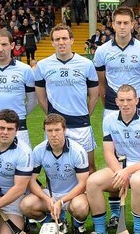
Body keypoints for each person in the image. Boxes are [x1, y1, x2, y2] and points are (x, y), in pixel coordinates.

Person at [84, 84, 140, 234]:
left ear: (136, 100)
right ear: (116, 101)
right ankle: (100, 231)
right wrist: (120, 172)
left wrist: (127, 172)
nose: (125, 104)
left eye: (129, 100)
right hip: (119, 166)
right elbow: (108, 153)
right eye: (122, 100)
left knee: (137, 181)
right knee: (92, 182)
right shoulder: (109, 120)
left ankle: (139, 233)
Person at [34, 25, 100, 172]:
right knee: (56, 169)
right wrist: (51, 115)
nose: (61, 42)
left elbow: (94, 96)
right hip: (55, 126)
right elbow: (41, 97)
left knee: (89, 168)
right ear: (52, 42)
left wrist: (85, 114)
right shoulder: (43, 65)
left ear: (72, 40)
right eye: (57, 39)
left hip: (81, 124)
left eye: (64, 38)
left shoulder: (86, 64)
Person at [21, 114, 91, 234]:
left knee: (80, 207)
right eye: (49, 130)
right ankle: (52, 224)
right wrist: (47, 199)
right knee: (26, 205)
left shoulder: (78, 151)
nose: (53, 134)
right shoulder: (38, 150)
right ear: (45, 131)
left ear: (64, 130)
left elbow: (83, 184)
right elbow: (31, 181)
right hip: (51, 195)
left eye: (57, 130)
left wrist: (62, 201)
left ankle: (77, 226)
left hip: (74, 195)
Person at [94, 6, 140, 116]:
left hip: (139, 103)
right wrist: (106, 103)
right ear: (113, 25)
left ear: (132, 24)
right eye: (119, 23)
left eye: (126, 23)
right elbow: (101, 83)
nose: (122, 27)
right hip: (112, 104)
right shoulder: (101, 51)